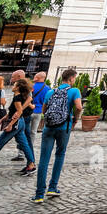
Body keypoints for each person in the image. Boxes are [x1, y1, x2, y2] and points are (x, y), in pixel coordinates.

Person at [32, 68, 82, 203]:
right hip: (64, 127)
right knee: (60, 154)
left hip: (49, 127)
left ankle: (39, 194)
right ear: (71, 79)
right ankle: (52, 187)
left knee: (44, 159)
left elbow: (44, 109)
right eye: (74, 79)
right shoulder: (74, 91)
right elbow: (78, 107)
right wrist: (75, 119)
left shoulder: (50, 92)